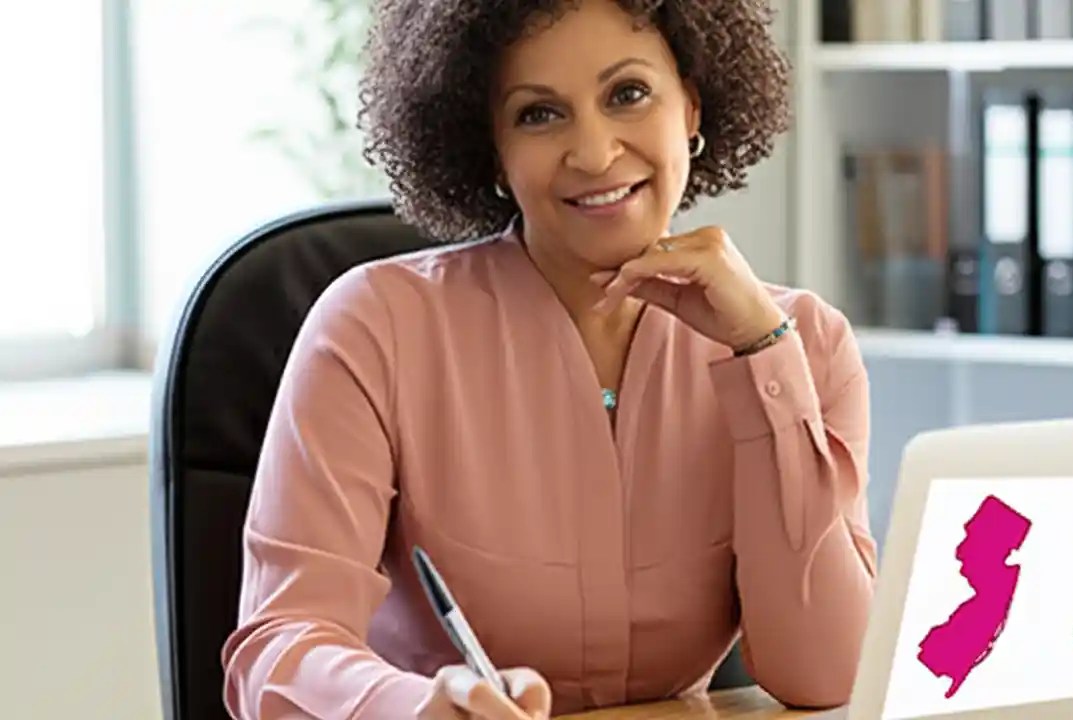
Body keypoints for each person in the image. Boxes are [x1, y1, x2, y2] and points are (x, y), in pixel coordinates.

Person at [220, 0, 878, 718]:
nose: (594, 153)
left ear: (690, 107)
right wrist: (414, 708)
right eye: (539, 114)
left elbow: (827, 674)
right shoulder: (376, 327)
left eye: (628, 94)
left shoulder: (803, 342)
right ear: (491, 147)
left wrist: (762, 356)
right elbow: (279, 649)